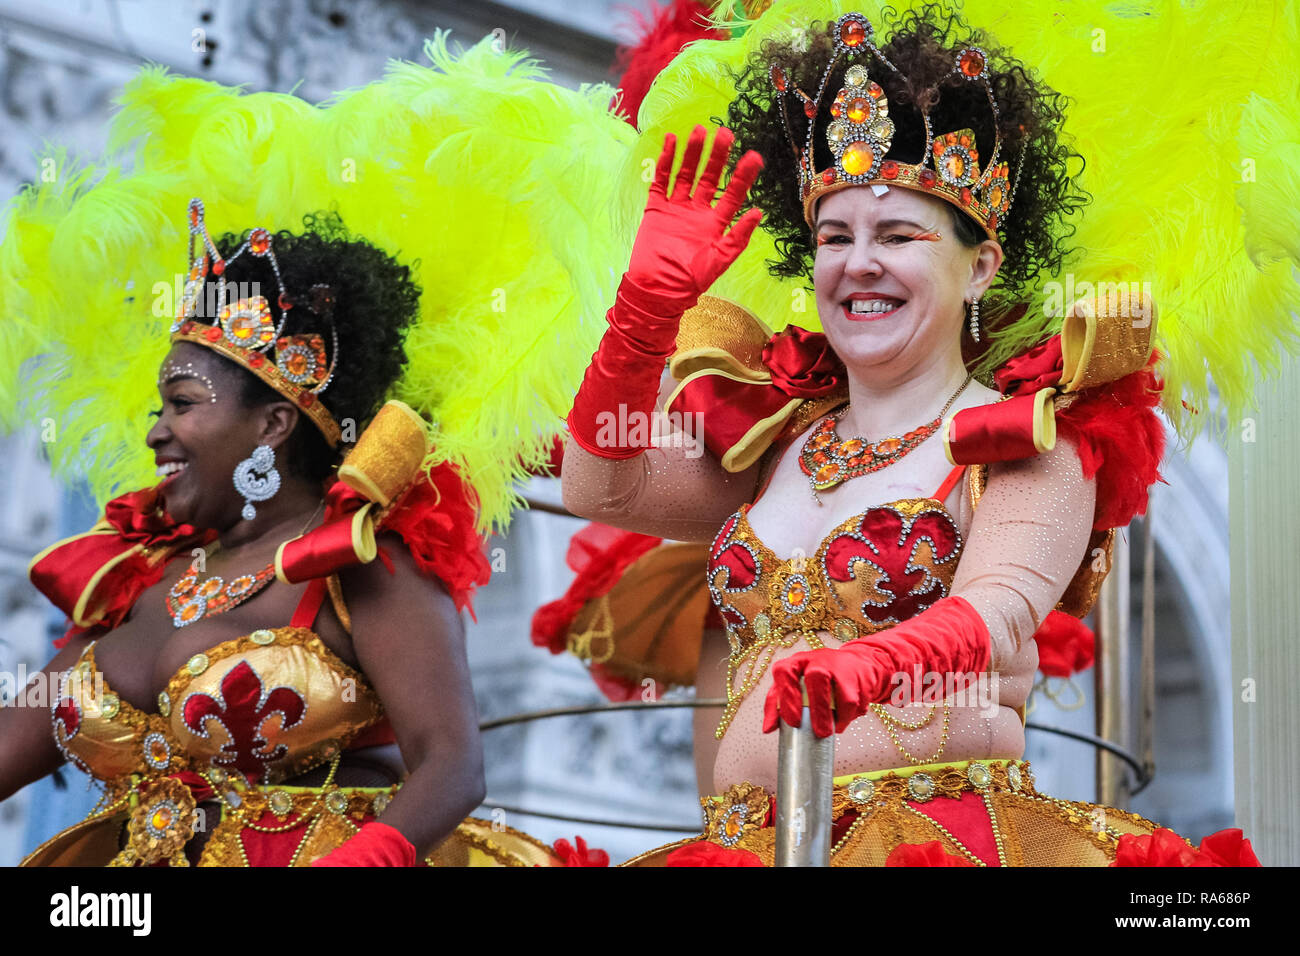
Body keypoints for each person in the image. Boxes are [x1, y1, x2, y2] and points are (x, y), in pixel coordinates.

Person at [558, 4, 1264, 866]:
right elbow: (603, 487)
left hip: (941, 841)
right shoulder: (780, 444)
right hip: (754, 846)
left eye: (898, 235)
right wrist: (645, 310)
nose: (858, 264)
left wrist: (877, 667)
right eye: (834, 237)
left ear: (980, 265)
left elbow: (997, 610)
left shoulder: (1027, 434)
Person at [0, 36, 630, 867]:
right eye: (158, 406)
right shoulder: (136, 580)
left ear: (274, 424)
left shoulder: (359, 562)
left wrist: (366, 858)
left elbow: (452, 764)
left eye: (182, 404)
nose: (154, 430)